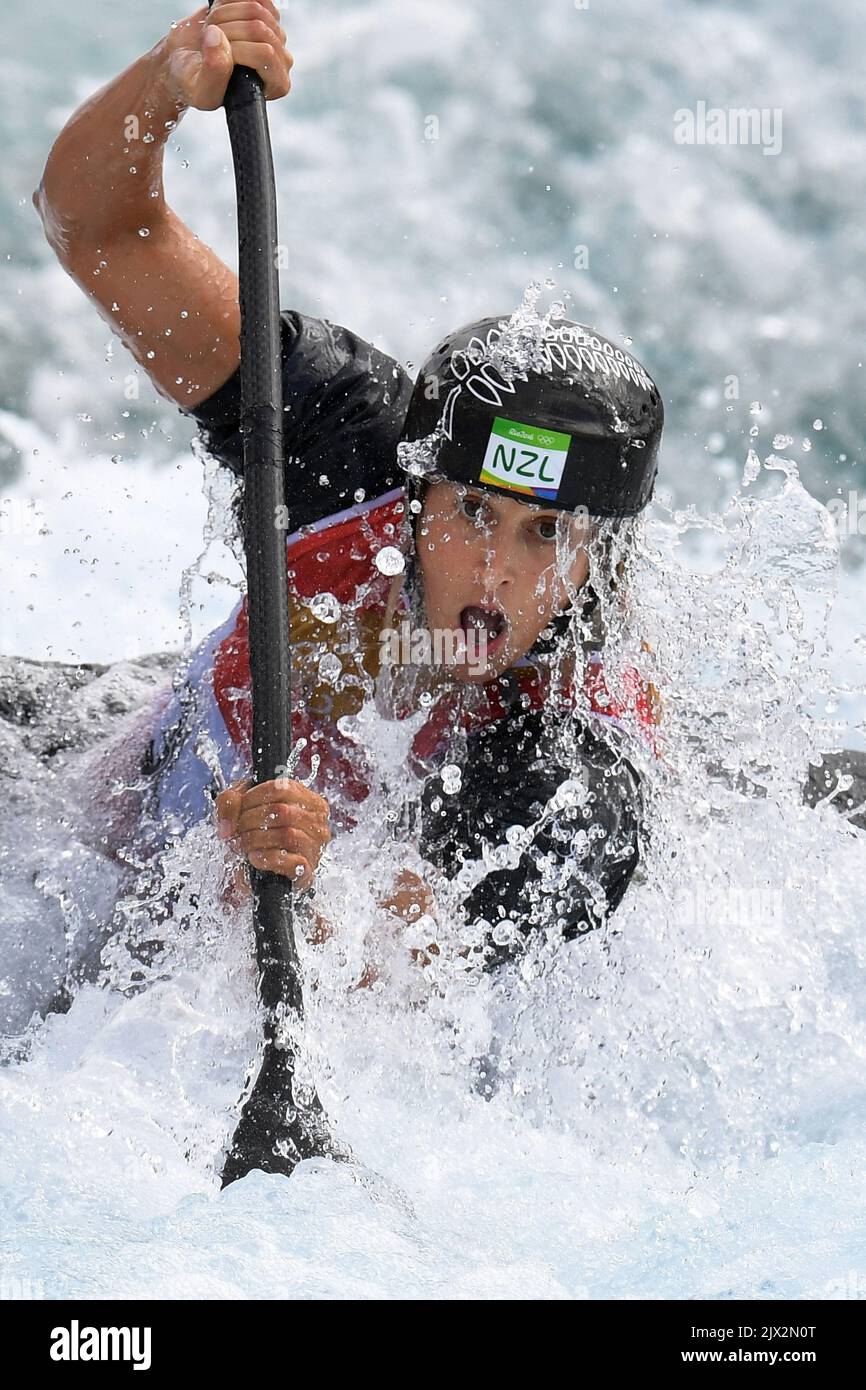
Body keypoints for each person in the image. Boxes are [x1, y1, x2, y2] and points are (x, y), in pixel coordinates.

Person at [35, 1, 663, 979]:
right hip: (115, 765)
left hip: (201, 957)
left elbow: (393, 1022)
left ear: (596, 559)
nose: (494, 573)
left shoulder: (564, 762)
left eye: (544, 534)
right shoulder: (336, 436)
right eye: (473, 516)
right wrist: (165, 81)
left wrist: (283, 886)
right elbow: (98, 229)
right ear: (414, 496)